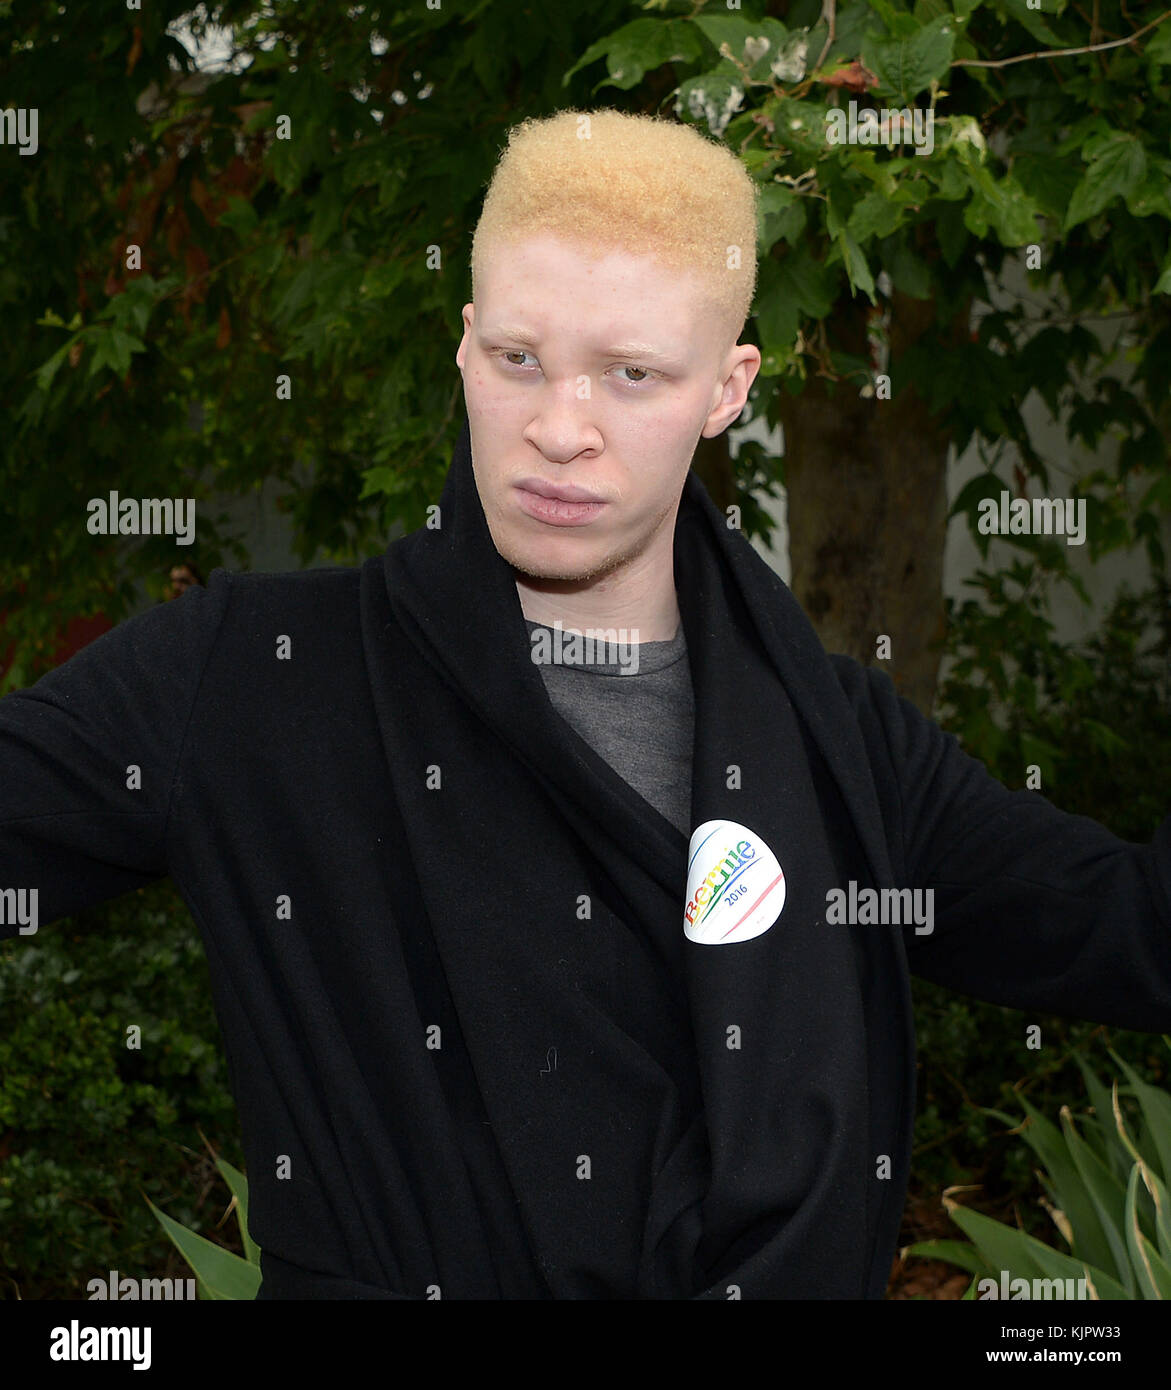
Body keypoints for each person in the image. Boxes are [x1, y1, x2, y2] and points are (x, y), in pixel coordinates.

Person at [2, 107, 1170, 1301]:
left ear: (727, 388)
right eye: (519, 358)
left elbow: (1129, 930)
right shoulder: (254, 674)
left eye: (632, 375)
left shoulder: (840, 747)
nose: (559, 431)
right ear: (463, 345)